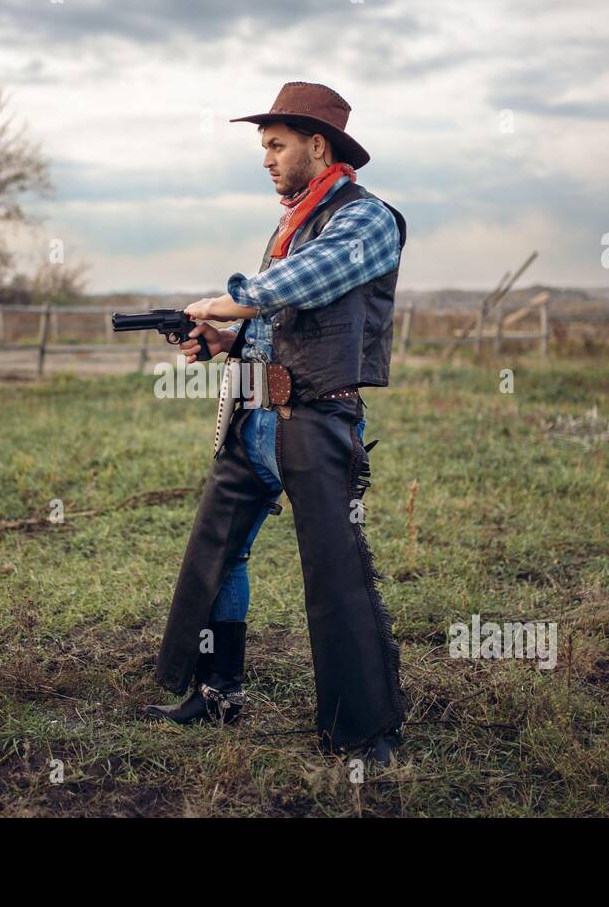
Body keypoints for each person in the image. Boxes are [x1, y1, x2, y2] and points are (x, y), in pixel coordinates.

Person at [144, 81, 409, 765]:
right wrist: (226, 340)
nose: (265, 158)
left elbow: (309, 282)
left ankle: (363, 730)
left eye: (276, 144)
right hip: (252, 415)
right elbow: (280, 325)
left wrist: (228, 301)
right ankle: (216, 691)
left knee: (335, 573)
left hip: (319, 420)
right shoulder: (289, 226)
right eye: (263, 146)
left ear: (316, 146)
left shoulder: (368, 218)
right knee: (215, 556)